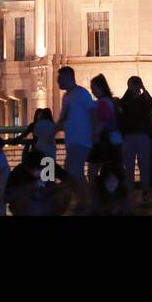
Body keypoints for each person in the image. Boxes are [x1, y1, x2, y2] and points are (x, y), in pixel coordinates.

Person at [55, 65, 96, 213]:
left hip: (82, 140)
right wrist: (54, 130)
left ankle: (86, 202)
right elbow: (63, 118)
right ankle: (83, 200)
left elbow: (93, 113)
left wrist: (94, 133)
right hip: (72, 141)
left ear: (68, 78)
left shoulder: (81, 94)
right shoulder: (66, 97)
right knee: (71, 171)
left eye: (60, 78)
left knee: (75, 171)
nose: (58, 82)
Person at [119, 76, 152, 203]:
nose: (134, 88)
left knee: (142, 165)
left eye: (136, 85)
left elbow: (151, 103)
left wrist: (143, 89)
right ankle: (133, 191)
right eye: (133, 85)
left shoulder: (140, 100)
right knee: (131, 166)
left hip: (139, 135)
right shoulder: (126, 100)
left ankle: (143, 191)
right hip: (133, 135)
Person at [88, 74, 123, 181]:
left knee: (93, 170)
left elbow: (102, 121)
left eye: (93, 88)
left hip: (103, 140)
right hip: (113, 140)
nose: (92, 91)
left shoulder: (102, 102)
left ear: (100, 88)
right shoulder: (111, 101)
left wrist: (95, 135)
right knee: (111, 169)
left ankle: (94, 193)